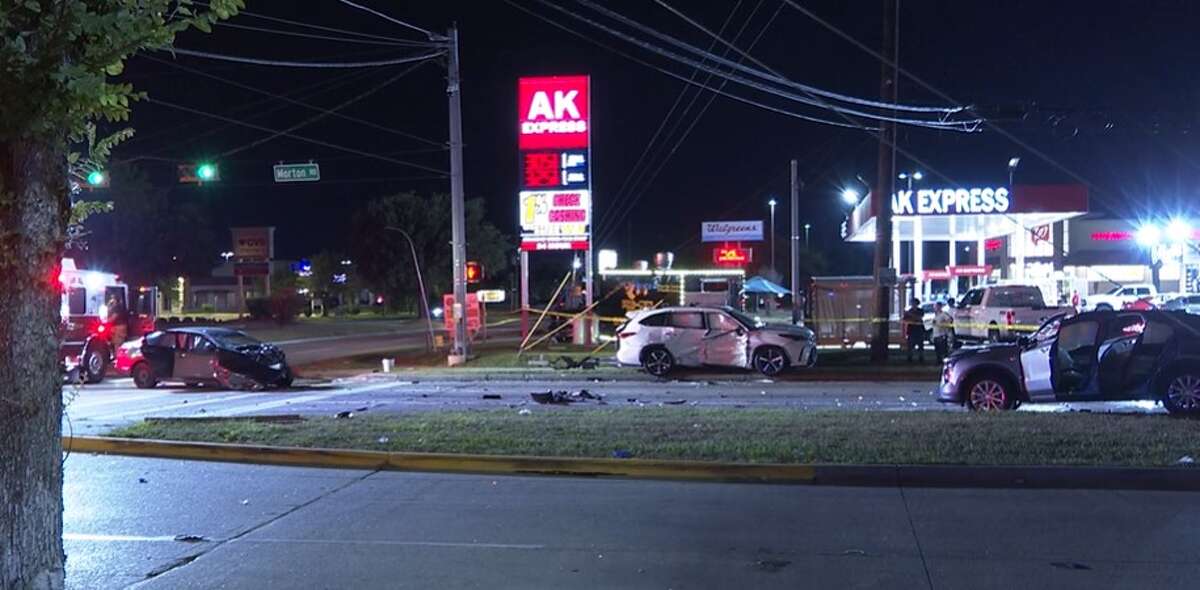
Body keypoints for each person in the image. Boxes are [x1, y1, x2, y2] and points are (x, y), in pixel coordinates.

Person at [902, 297, 926, 363]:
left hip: (919, 330)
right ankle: (910, 358)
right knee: (910, 346)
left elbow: (920, 317)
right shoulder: (909, 311)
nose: (913, 304)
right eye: (912, 303)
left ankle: (921, 358)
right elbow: (904, 320)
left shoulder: (920, 310)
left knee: (920, 345)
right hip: (911, 330)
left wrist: (911, 316)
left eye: (915, 303)